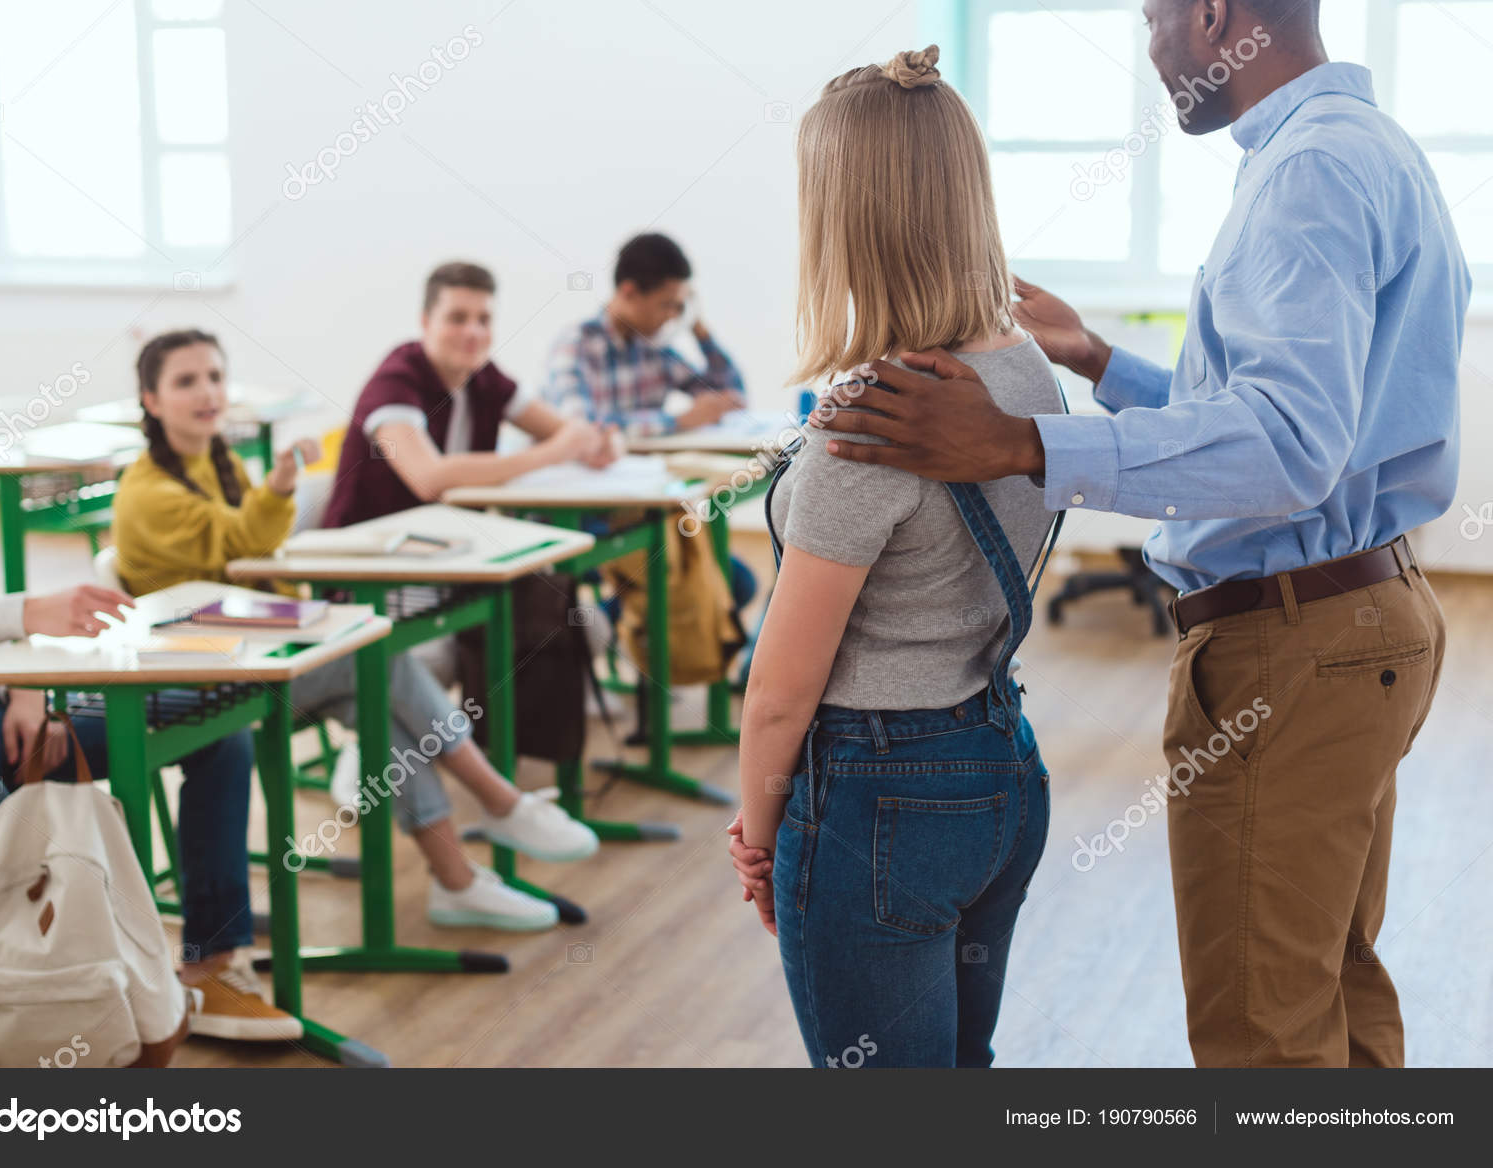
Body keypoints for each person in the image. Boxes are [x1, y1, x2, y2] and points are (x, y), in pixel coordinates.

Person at [812, 4, 1468, 1068]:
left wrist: (1024, 443)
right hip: (1360, 617)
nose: (1152, 48)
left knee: (1264, 1032)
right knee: (1330, 984)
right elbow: (1301, 425)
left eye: (1155, 18)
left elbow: (1288, 446)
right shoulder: (1362, 146)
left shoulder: (1307, 172)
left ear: (1212, 16)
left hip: (1296, 643)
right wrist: (1098, 360)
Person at [726, 45, 1062, 1068]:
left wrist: (756, 833)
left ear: (846, 218)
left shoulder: (871, 422)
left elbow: (780, 690)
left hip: (878, 800)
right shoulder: (1029, 371)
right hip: (999, 767)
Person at [112, 329, 599, 932]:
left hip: (257, 654)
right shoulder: (149, 493)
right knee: (377, 660)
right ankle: (500, 804)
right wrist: (281, 489)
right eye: (186, 381)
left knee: (380, 699)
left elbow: (253, 554)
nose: (207, 392)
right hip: (208, 679)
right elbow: (243, 545)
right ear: (151, 400)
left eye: (215, 376)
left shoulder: (218, 463)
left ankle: (458, 881)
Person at [0, 459, 301, 1041]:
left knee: (213, 728)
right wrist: (25, 613)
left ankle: (209, 968)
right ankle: (23, 1025)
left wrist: (24, 685)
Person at [542, 233, 759, 613]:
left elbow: (731, 395)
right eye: (666, 304)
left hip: (648, 502)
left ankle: (627, 630)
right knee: (685, 583)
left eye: (680, 306)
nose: (672, 315)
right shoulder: (576, 344)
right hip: (586, 510)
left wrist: (700, 331)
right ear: (629, 292)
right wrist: (677, 421)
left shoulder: (652, 348)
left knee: (736, 584)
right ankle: (610, 627)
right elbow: (584, 427)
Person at [323, 261, 617, 529]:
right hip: (365, 558)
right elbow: (428, 479)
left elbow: (569, 432)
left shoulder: (484, 377)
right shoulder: (394, 382)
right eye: (457, 318)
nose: (473, 332)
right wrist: (553, 453)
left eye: (484, 320)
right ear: (426, 322)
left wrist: (604, 442)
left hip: (450, 548)